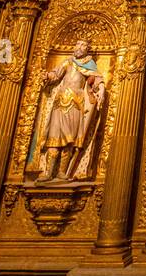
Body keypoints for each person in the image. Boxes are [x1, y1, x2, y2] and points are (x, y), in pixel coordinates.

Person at [38, 39, 105, 181]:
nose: (79, 47)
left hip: (76, 103)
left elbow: (97, 79)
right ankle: (48, 172)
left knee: (70, 138)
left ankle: (62, 172)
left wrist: (101, 90)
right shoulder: (68, 61)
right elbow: (56, 74)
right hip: (61, 102)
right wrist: (47, 76)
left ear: (87, 49)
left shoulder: (89, 65)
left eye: (83, 45)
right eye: (78, 44)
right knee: (54, 137)